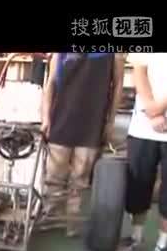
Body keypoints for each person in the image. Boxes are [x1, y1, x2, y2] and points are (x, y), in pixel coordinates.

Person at [40, 52, 125, 236]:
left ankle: (72, 219)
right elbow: (50, 84)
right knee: (54, 173)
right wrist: (46, 118)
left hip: (92, 120)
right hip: (61, 117)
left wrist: (111, 121)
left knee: (81, 175)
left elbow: (118, 86)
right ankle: (51, 215)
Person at [115, 53, 167, 251]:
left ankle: (163, 245)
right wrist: (153, 112)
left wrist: (159, 107)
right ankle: (135, 237)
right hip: (143, 128)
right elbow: (139, 73)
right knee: (138, 184)